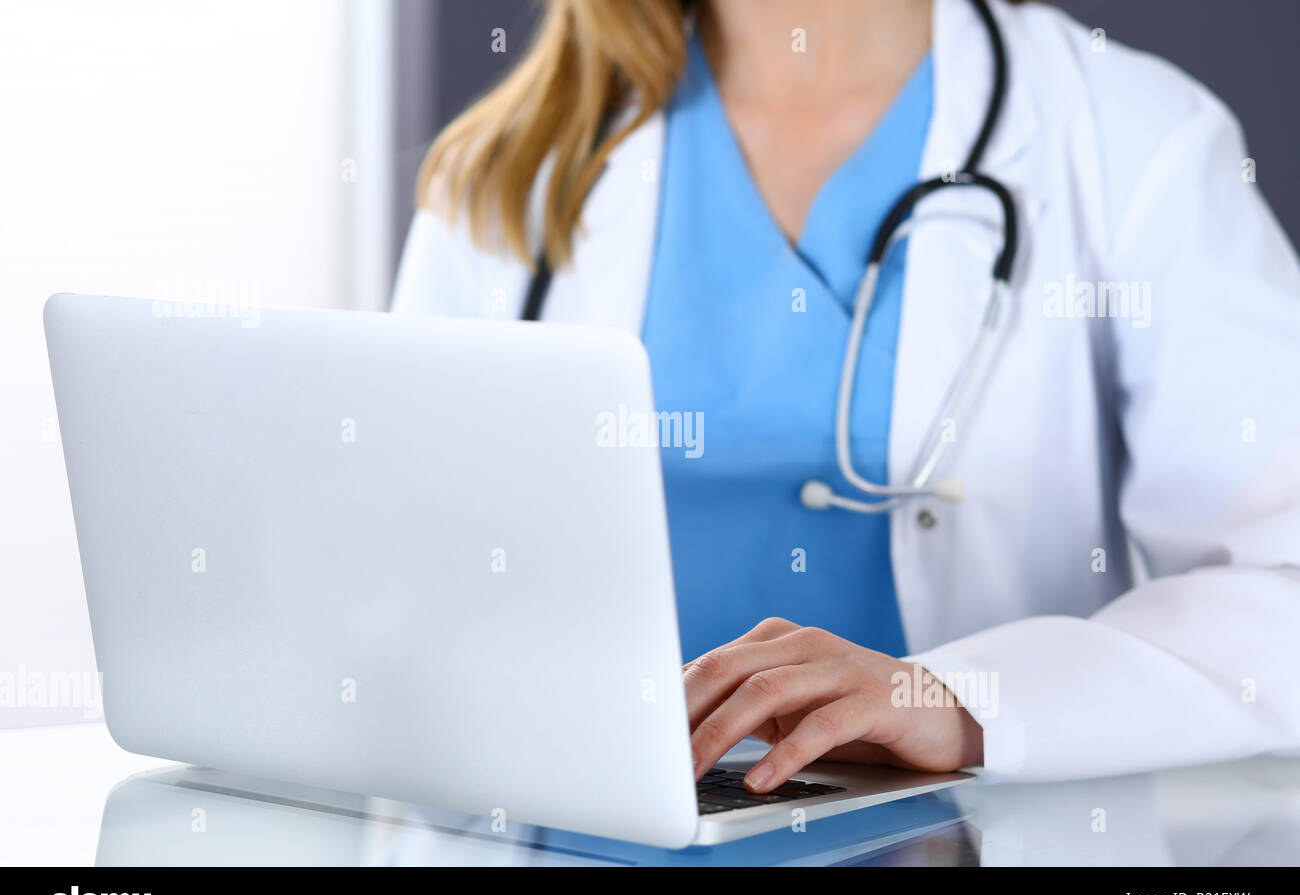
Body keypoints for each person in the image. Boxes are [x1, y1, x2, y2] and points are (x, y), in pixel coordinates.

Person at [391, 0, 1300, 793]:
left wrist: (962, 701)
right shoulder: (509, 169)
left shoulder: (1124, 134)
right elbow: (398, 590)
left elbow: (1283, 589)